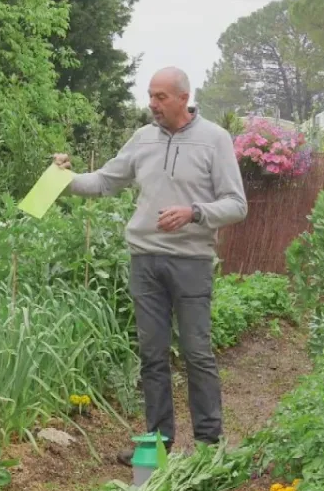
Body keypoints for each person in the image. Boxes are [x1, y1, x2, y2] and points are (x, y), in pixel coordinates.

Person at [53, 67, 247, 465]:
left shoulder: (214, 140)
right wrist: (64, 178)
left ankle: (210, 446)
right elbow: (105, 182)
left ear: (183, 97)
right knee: (152, 355)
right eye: (150, 96)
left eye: (160, 97)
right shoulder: (142, 139)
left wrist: (193, 212)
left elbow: (236, 204)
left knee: (197, 352)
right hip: (145, 261)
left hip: (191, 262)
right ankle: (157, 445)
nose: (152, 105)